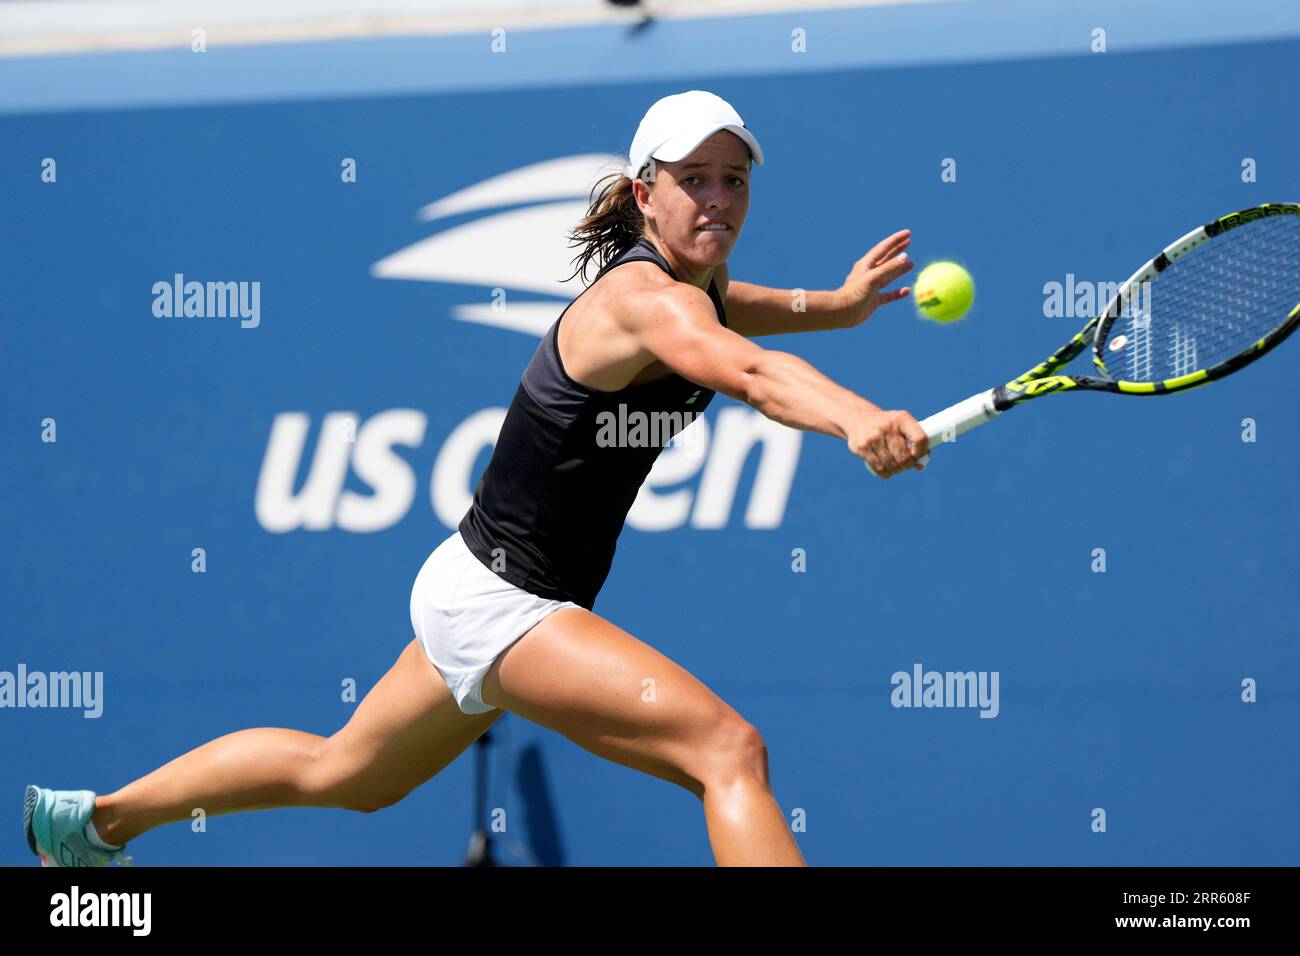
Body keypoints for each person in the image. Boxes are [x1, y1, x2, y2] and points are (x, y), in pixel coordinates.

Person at [23, 89, 927, 869]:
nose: (720, 201)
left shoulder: (698, 291)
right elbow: (750, 370)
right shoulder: (649, 303)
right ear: (647, 194)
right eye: (696, 180)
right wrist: (854, 416)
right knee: (728, 751)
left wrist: (838, 308)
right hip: (511, 603)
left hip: (474, 582)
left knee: (343, 775)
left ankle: (93, 823)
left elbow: (752, 316)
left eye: (735, 180)